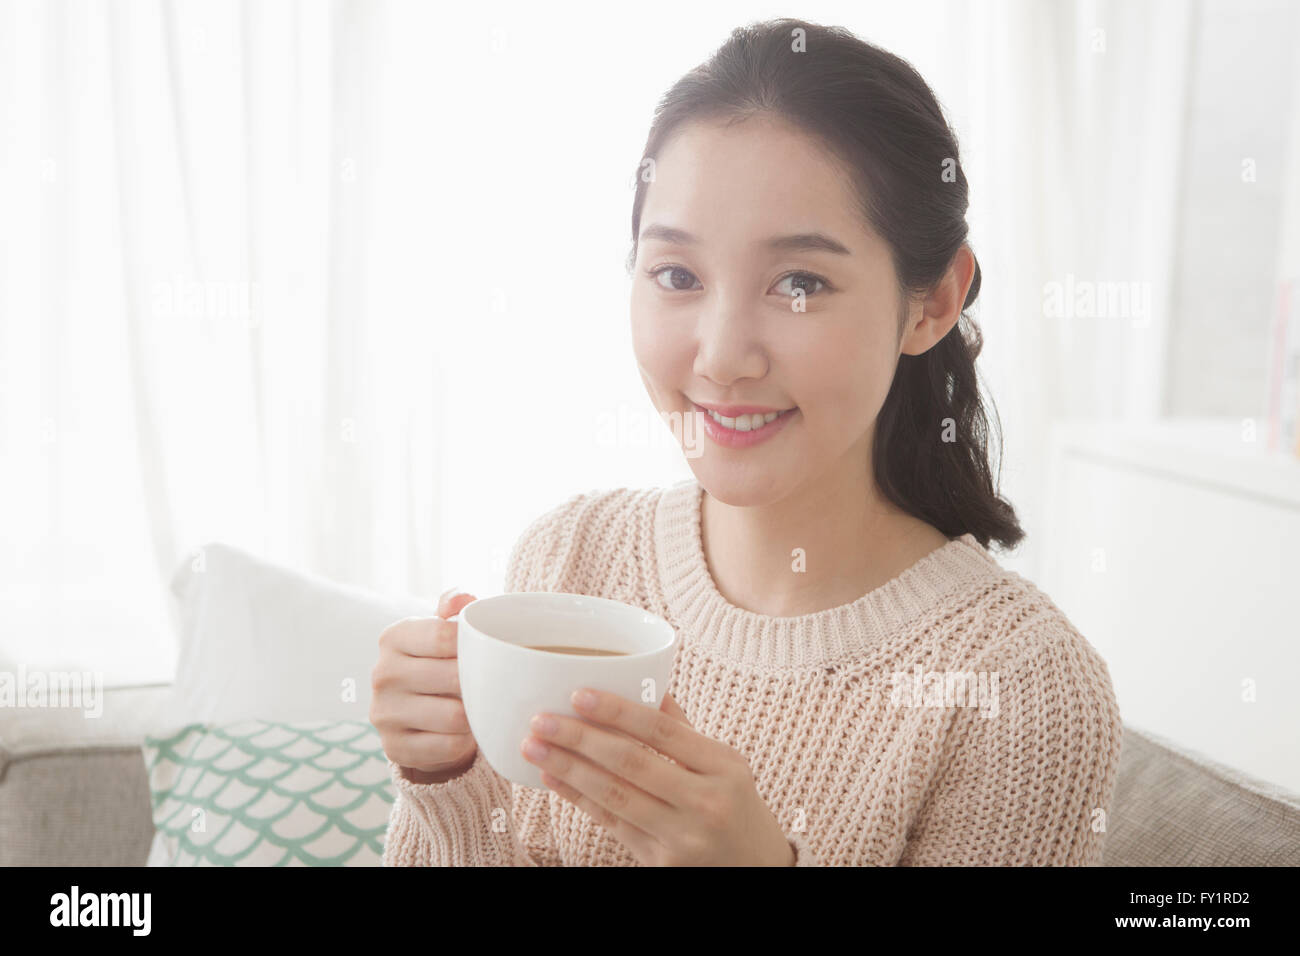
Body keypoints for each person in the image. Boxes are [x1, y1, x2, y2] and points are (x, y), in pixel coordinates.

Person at [372, 17, 1123, 866]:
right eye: (678, 276)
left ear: (933, 303)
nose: (723, 356)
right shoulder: (568, 561)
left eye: (799, 283)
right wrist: (442, 775)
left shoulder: (1022, 689)